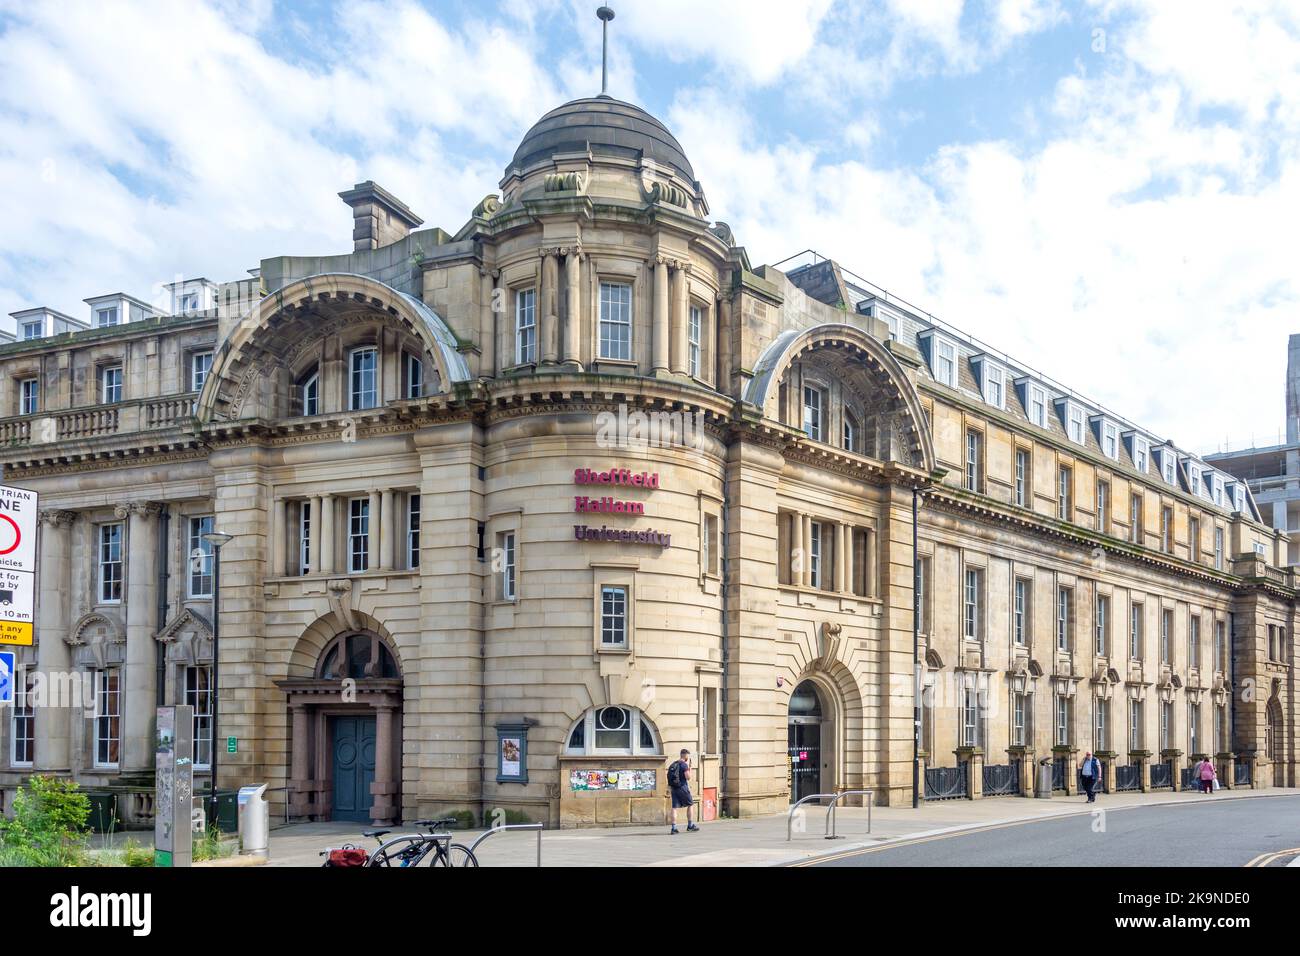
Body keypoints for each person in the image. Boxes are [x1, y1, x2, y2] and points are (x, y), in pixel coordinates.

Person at [667, 749, 699, 834]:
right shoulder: (684, 765)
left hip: (674, 788)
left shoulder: (673, 764)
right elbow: (688, 777)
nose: (688, 757)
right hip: (682, 788)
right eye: (688, 756)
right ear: (685, 755)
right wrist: (690, 768)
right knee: (690, 804)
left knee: (674, 808)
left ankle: (673, 828)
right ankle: (690, 825)